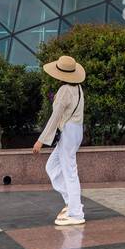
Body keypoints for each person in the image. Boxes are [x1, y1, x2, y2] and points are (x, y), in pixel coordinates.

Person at [33, 54, 87, 226]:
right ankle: (72, 203)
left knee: (70, 172)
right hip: (75, 130)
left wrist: (41, 140)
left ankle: (76, 213)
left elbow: (55, 117)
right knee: (52, 166)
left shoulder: (64, 91)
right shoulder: (77, 87)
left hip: (69, 131)